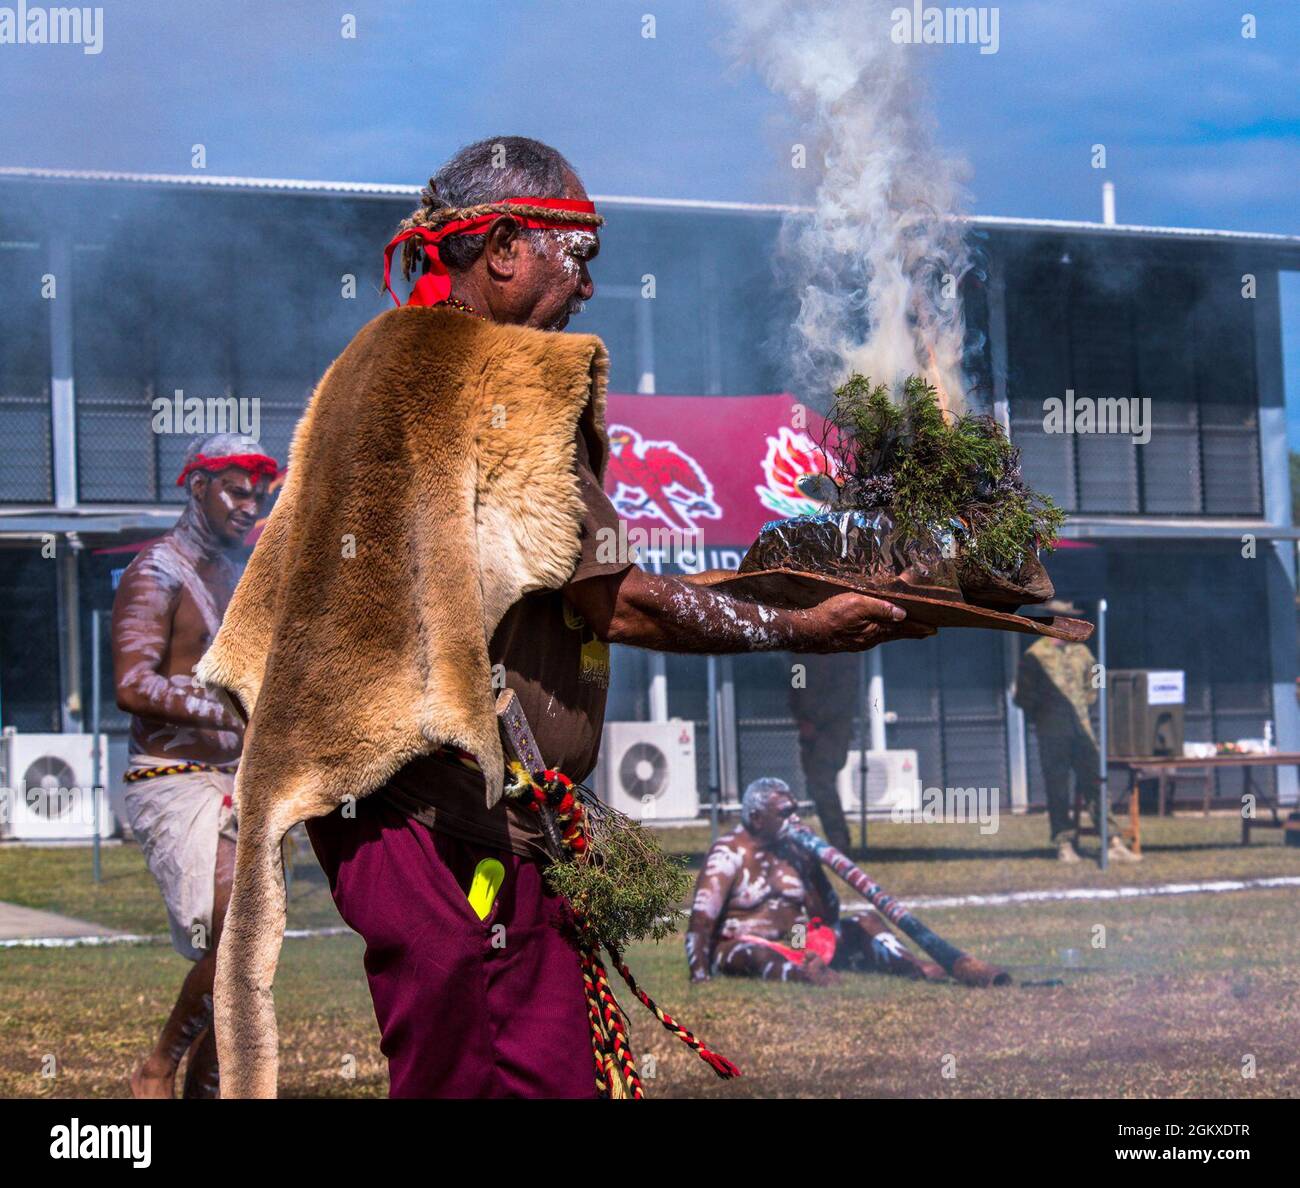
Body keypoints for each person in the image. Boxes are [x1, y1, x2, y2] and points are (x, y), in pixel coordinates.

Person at [205, 135, 935, 1100]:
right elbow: (616, 597)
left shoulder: (381, 364)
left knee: (547, 1074)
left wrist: (786, 594)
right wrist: (796, 629)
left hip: (490, 822)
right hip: (419, 820)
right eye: (577, 252)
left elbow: (590, 590)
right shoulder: (492, 375)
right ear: (505, 245)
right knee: (456, 1076)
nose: (588, 285)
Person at [111, 432, 276, 1097]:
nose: (248, 506)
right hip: (172, 780)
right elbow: (132, 682)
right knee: (238, 935)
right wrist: (232, 711)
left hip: (241, 783)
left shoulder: (239, 574)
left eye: (257, 496)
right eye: (236, 491)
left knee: (247, 957)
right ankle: (158, 1065)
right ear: (198, 486)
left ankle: (205, 1091)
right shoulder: (157, 571)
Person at [685, 778, 942, 983]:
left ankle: (913, 966)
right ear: (757, 818)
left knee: (866, 921)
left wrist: (813, 867)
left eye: (796, 812)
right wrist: (699, 974)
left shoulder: (793, 851)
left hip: (797, 941)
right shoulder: (727, 854)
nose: (794, 821)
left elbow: (826, 916)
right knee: (758, 954)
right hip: (745, 943)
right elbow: (701, 922)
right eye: (785, 814)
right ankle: (807, 976)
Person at [1013, 601, 1139, 863]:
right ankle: (1064, 843)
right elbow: (1022, 697)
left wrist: (1080, 705)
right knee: (1058, 789)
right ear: (1051, 621)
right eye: (1063, 619)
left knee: (1096, 783)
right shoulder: (1035, 656)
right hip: (1052, 734)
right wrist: (1046, 712)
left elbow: (1093, 686)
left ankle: (1112, 841)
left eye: (1071, 619)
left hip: (1082, 731)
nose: (1069, 623)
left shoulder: (1082, 653)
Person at [788, 652, 859, 851]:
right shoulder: (800, 660)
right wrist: (802, 719)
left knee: (821, 783)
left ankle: (839, 843)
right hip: (810, 732)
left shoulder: (841, 656)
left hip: (832, 732)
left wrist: (814, 721)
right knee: (816, 784)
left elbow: (844, 694)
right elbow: (796, 688)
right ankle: (837, 840)